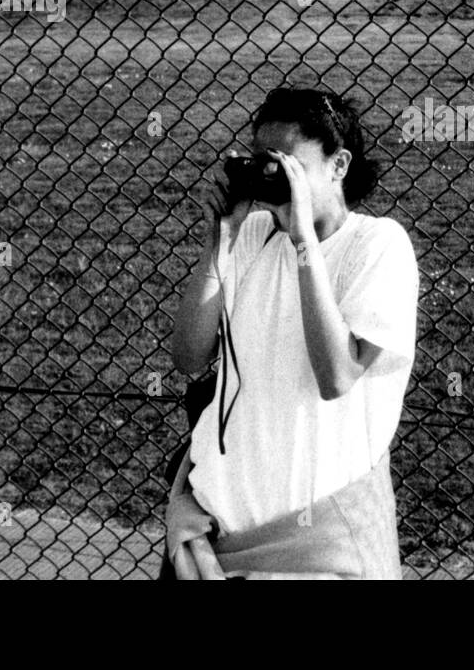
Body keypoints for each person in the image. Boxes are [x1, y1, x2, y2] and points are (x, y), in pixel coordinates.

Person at [163, 86, 419, 580]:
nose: (268, 175)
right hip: (213, 536)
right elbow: (189, 356)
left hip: (316, 549)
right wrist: (218, 243)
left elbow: (337, 376)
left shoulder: (378, 245)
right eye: (261, 160)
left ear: (338, 164)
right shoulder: (255, 235)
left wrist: (305, 240)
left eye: (284, 163)